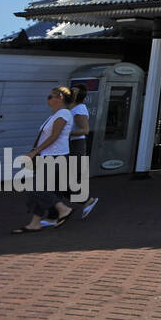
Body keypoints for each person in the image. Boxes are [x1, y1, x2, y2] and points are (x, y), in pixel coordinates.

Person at [13, 88, 76, 234]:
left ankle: (63, 209)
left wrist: (35, 151)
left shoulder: (64, 113)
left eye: (50, 96)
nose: (47, 99)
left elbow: (54, 137)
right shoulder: (55, 115)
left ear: (60, 97)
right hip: (47, 156)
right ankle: (35, 223)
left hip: (55, 156)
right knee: (36, 189)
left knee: (35, 187)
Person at [67, 83, 98, 219]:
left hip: (76, 146)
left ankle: (86, 200)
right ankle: (55, 212)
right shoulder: (71, 108)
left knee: (63, 181)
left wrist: (65, 133)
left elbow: (84, 130)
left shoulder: (79, 109)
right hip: (70, 146)